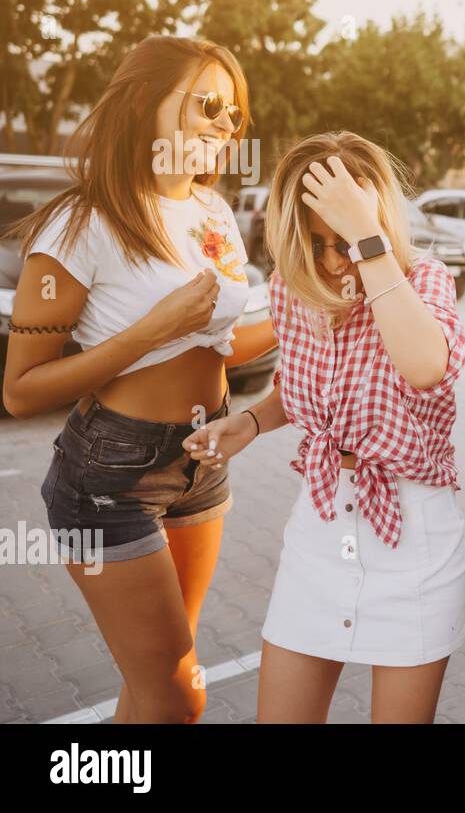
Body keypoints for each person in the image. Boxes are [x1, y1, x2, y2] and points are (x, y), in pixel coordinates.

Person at [5, 35, 271, 722]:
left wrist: (315, 317)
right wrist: (152, 327)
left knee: (149, 686)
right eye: (209, 104)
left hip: (201, 460)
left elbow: (219, 347)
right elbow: (22, 389)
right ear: (146, 105)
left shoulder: (213, 213)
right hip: (111, 476)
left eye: (234, 114)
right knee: (181, 694)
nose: (226, 126)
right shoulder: (80, 222)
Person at [184, 132, 465, 723]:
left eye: (345, 240)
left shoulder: (423, 281)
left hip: (412, 537)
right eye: (316, 244)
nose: (336, 262)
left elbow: (424, 368)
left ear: (378, 220)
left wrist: (369, 242)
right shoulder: (296, 288)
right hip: (319, 529)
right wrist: (252, 422)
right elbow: (306, 382)